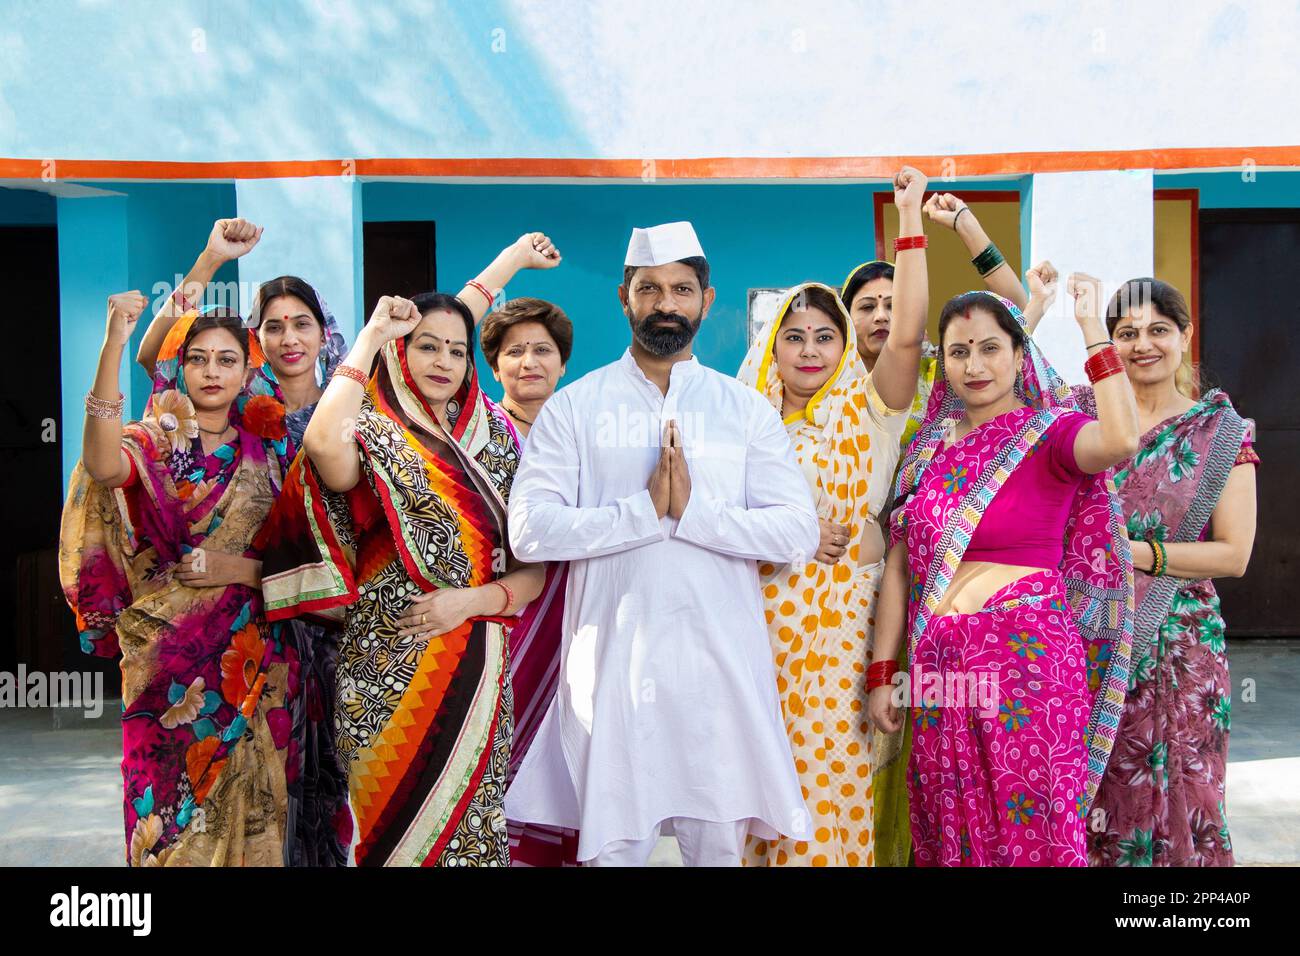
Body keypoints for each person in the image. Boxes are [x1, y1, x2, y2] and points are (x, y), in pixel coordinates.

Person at [504, 221, 819, 866]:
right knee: (614, 849)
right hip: (612, 670)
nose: (666, 304)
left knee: (716, 852)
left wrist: (698, 513)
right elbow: (530, 530)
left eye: (681, 289)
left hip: (719, 670)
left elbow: (797, 531)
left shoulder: (744, 410)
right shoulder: (576, 408)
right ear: (625, 297)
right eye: (650, 289)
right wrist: (642, 513)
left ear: (707, 299)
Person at [259, 291, 546, 866]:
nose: (443, 361)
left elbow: (534, 567)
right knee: (391, 838)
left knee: (473, 835)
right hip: (384, 673)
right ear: (397, 351)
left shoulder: (495, 444)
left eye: (458, 351)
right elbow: (319, 444)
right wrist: (367, 338)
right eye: (427, 346)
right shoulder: (370, 430)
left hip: (478, 671)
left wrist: (469, 601)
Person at [868, 277, 1140, 866]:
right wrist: (883, 670)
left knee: (1032, 825)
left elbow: (1120, 437)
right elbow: (899, 566)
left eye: (991, 348)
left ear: (1021, 355)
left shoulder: (1051, 436)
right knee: (950, 824)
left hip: (1027, 669)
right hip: (939, 671)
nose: (974, 365)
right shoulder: (928, 450)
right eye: (960, 352)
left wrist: (1092, 326)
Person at [735, 167, 929, 866]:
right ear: (772, 346)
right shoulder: (740, 425)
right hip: (756, 628)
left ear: (845, 344)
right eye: (796, 336)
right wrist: (788, 533)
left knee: (832, 784)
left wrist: (910, 219)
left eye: (825, 335)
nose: (811, 350)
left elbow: (904, 337)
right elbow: (705, 524)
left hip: (843, 637)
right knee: (758, 785)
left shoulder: (869, 413)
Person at [59, 295, 296, 865]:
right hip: (165, 666)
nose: (212, 372)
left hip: (258, 657)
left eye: (227, 360)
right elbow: (102, 464)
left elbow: (306, 560)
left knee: (260, 803)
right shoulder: (153, 441)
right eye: (198, 359)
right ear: (179, 367)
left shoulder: (276, 451)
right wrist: (114, 342)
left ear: (248, 370)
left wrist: (238, 570)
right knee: (165, 817)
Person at [1058, 279, 1257, 867]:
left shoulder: (1220, 434)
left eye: (1157, 330)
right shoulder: (1082, 414)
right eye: (1126, 334)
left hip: (1178, 645)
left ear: (1185, 336)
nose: (1142, 345)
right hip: (1087, 639)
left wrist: (1137, 552)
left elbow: (1234, 554)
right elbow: (1010, 365)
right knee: (1095, 791)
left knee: (1180, 790)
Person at [478, 297, 581, 866]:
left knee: (565, 760)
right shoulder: (477, 438)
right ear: (495, 367)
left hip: (574, 618)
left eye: (542, 350)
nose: (528, 362)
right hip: (504, 623)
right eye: (513, 352)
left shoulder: (584, 434)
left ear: (562, 362)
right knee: (499, 754)